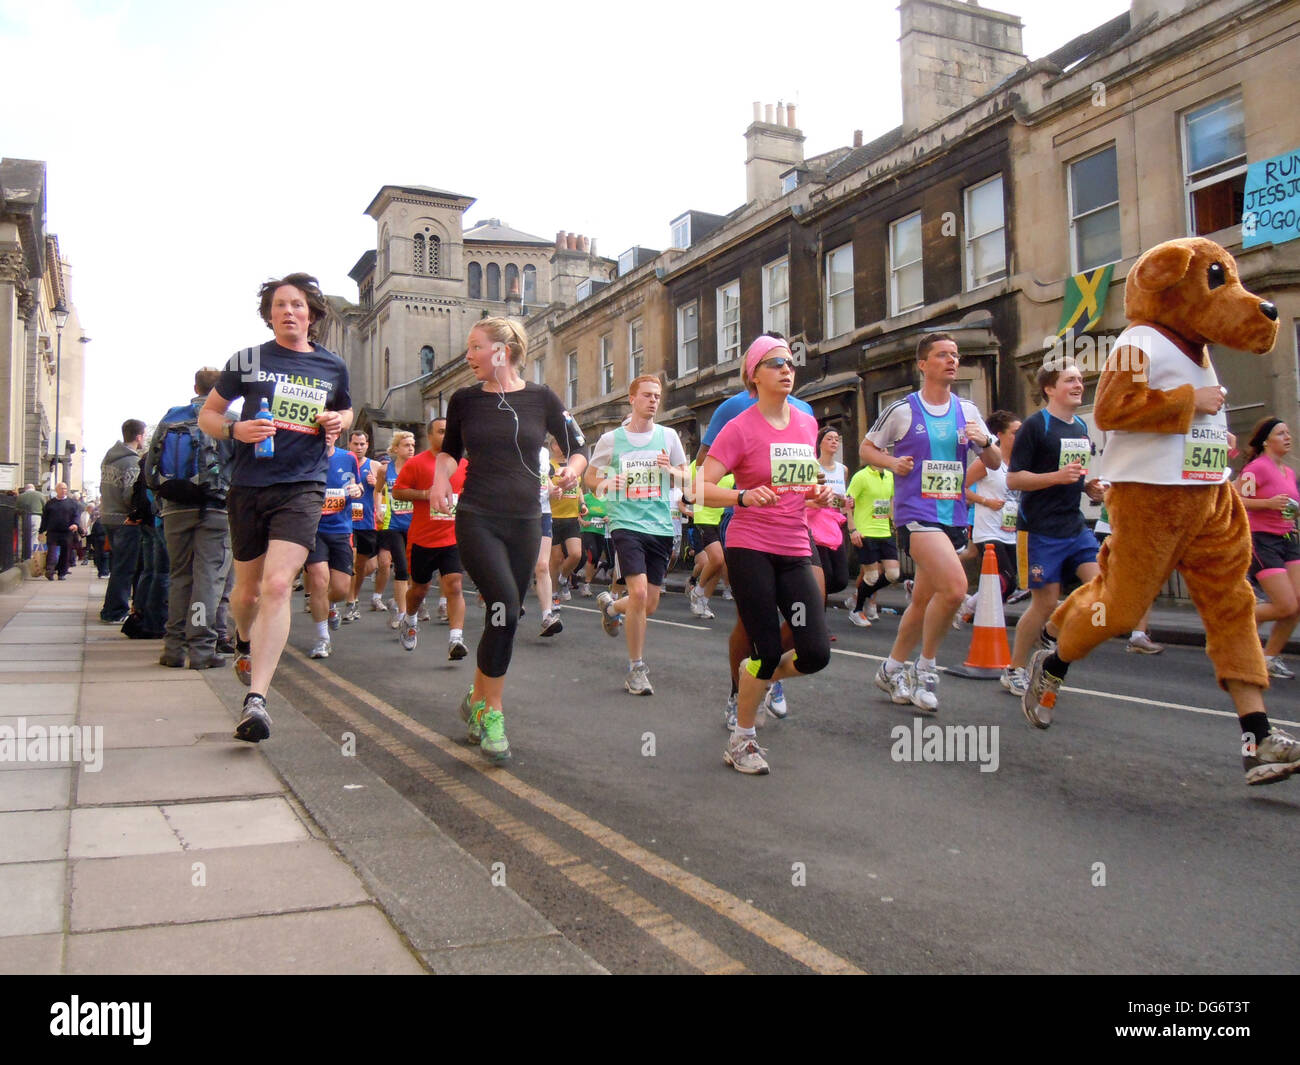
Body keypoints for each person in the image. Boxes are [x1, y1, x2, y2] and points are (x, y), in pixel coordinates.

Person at [198, 272, 352, 743]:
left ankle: (257, 700)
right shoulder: (247, 360)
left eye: (299, 304)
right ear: (269, 314)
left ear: (312, 314)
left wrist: (336, 420)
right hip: (250, 484)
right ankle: (244, 642)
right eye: (281, 305)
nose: (290, 311)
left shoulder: (332, 365)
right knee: (246, 595)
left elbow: (347, 412)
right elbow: (209, 414)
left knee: (279, 585)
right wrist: (234, 430)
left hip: (303, 484)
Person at [430, 317, 585, 763]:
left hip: (525, 520)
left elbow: (577, 446)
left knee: (508, 615)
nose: (468, 356)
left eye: (475, 346)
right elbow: (449, 451)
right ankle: (494, 711)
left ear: (502, 350)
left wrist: (570, 473)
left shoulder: (541, 398)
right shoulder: (464, 400)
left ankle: (478, 699)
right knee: (500, 601)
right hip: (478, 516)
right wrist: (442, 479)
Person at [699, 335, 834, 774]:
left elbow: (801, 482)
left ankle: (754, 681)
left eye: (791, 363)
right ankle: (743, 739)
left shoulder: (806, 424)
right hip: (750, 546)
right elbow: (699, 485)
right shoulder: (739, 427)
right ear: (753, 375)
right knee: (767, 647)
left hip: (795, 545)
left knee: (814, 652)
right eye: (775, 363)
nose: (787, 369)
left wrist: (818, 493)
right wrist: (740, 496)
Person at [860, 333, 1001, 711]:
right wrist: (892, 463)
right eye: (942, 355)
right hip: (915, 516)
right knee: (955, 589)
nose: (952, 360)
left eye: (955, 355)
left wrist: (985, 442)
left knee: (922, 602)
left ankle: (890, 669)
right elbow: (866, 447)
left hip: (951, 516)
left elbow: (995, 463)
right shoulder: (903, 410)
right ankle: (925, 670)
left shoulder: (967, 411)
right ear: (923, 364)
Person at [1002, 363, 1105, 694]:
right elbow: (1014, 479)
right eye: (1070, 380)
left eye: (1079, 379)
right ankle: (1014, 669)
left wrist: (1089, 487)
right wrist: (1056, 479)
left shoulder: (1081, 427)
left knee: (1101, 585)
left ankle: (1052, 630)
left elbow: (1076, 474)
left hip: (1074, 525)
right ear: (1049, 388)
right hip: (1039, 529)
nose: (1079, 384)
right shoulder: (1035, 426)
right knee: (1045, 601)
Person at [587, 374, 690, 696]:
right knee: (641, 594)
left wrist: (670, 471)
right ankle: (636, 669)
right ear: (632, 399)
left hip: (659, 525)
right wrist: (607, 484)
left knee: (650, 603)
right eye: (646, 395)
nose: (653, 401)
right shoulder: (610, 440)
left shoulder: (669, 437)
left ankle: (612, 607)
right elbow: (590, 478)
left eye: (657, 396)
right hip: (625, 523)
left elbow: (687, 478)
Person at [153, 367, 235, 670]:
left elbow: (151, 463)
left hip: (175, 507)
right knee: (208, 580)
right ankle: (201, 650)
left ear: (195, 387)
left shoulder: (172, 416)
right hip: (216, 509)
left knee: (179, 577)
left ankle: (173, 648)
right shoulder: (231, 421)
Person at [391, 416, 469, 659]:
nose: (447, 435)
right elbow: (398, 491)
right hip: (422, 538)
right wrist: (426, 493)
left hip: (452, 537)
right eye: (442, 431)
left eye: (450, 431)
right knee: (419, 589)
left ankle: (456, 639)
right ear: (430, 436)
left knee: (454, 584)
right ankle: (410, 619)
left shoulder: (464, 464)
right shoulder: (416, 463)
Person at [1237, 417, 1300, 678]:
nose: (1287, 437)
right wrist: (1268, 504)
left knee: (1298, 603)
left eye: (1288, 433)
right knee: (1285, 605)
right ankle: (1235, 622)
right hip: (1262, 540)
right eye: (1280, 433)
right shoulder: (1258, 468)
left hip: (1288, 539)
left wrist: (1292, 516)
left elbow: (1288, 505)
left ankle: (1269, 658)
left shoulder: (1289, 472)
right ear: (1266, 441)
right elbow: (1235, 498)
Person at [305, 427, 363, 658]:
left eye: (331, 432)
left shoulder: (347, 458)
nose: (326, 435)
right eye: (321, 431)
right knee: (319, 580)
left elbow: (357, 485)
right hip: (313, 529)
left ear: (337, 435)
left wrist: (358, 490)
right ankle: (322, 638)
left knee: (340, 588)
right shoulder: (305, 458)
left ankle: (329, 606)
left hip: (340, 529)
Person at [960, 410, 1020, 624]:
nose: (1020, 437)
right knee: (1006, 581)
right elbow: (961, 487)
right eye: (1015, 432)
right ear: (999, 435)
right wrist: (986, 501)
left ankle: (975, 610)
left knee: (1006, 582)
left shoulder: (1018, 464)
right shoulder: (987, 463)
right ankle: (974, 609)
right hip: (988, 530)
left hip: (1009, 531)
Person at [99, 419, 148, 622]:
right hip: (125, 520)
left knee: (119, 565)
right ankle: (115, 611)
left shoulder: (109, 458)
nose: (144, 438)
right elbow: (131, 494)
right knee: (127, 568)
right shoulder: (131, 462)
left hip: (109, 516)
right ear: (138, 437)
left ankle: (113, 608)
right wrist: (137, 513)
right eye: (144, 435)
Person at [845, 455, 897, 627]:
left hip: (884, 531)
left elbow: (890, 500)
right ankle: (856, 610)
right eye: (879, 450)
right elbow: (847, 503)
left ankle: (856, 598)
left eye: (885, 450)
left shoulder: (889, 476)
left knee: (893, 574)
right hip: (865, 532)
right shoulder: (861, 477)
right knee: (872, 575)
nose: (885, 453)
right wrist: (852, 530)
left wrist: (893, 520)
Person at [343, 429, 387, 620]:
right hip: (344, 520)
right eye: (355, 444)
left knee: (360, 566)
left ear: (367, 445)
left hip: (367, 521)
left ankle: (353, 599)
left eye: (362, 444)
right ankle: (347, 600)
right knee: (350, 561)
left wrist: (376, 482)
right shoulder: (343, 462)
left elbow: (384, 489)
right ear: (349, 445)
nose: (359, 447)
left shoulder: (375, 465)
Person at [810, 426, 851, 604]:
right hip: (816, 524)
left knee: (840, 580)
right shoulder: (813, 467)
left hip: (835, 525)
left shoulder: (843, 469)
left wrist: (848, 503)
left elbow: (842, 499)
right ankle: (818, 622)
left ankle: (807, 595)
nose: (834, 441)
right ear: (820, 443)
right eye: (829, 438)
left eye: (836, 438)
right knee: (824, 576)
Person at [380, 431, 415, 628]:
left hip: (415, 525)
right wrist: (379, 506)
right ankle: (403, 614)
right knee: (401, 568)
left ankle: (401, 602)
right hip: (393, 525)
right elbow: (378, 490)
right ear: (395, 449)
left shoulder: (418, 468)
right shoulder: (385, 470)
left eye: (412, 444)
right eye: (406, 445)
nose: (410, 448)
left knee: (413, 569)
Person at [549, 437, 585, 605]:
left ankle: (564, 579)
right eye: (556, 443)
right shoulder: (549, 466)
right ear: (551, 446)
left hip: (571, 517)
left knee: (576, 554)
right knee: (555, 559)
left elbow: (579, 488)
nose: (561, 446)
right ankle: (553, 594)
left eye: (562, 442)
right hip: (553, 517)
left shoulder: (574, 465)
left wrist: (583, 504)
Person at [38, 482, 80, 580]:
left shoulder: (72, 503)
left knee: (65, 553)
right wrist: (41, 531)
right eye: (61, 488)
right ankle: (50, 571)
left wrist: (75, 524)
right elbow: (45, 518)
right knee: (51, 552)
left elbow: (76, 516)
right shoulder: (50, 503)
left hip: (67, 532)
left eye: (65, 488)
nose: (63, 490)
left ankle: (62, 573)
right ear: (56, 490)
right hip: (53, 532)